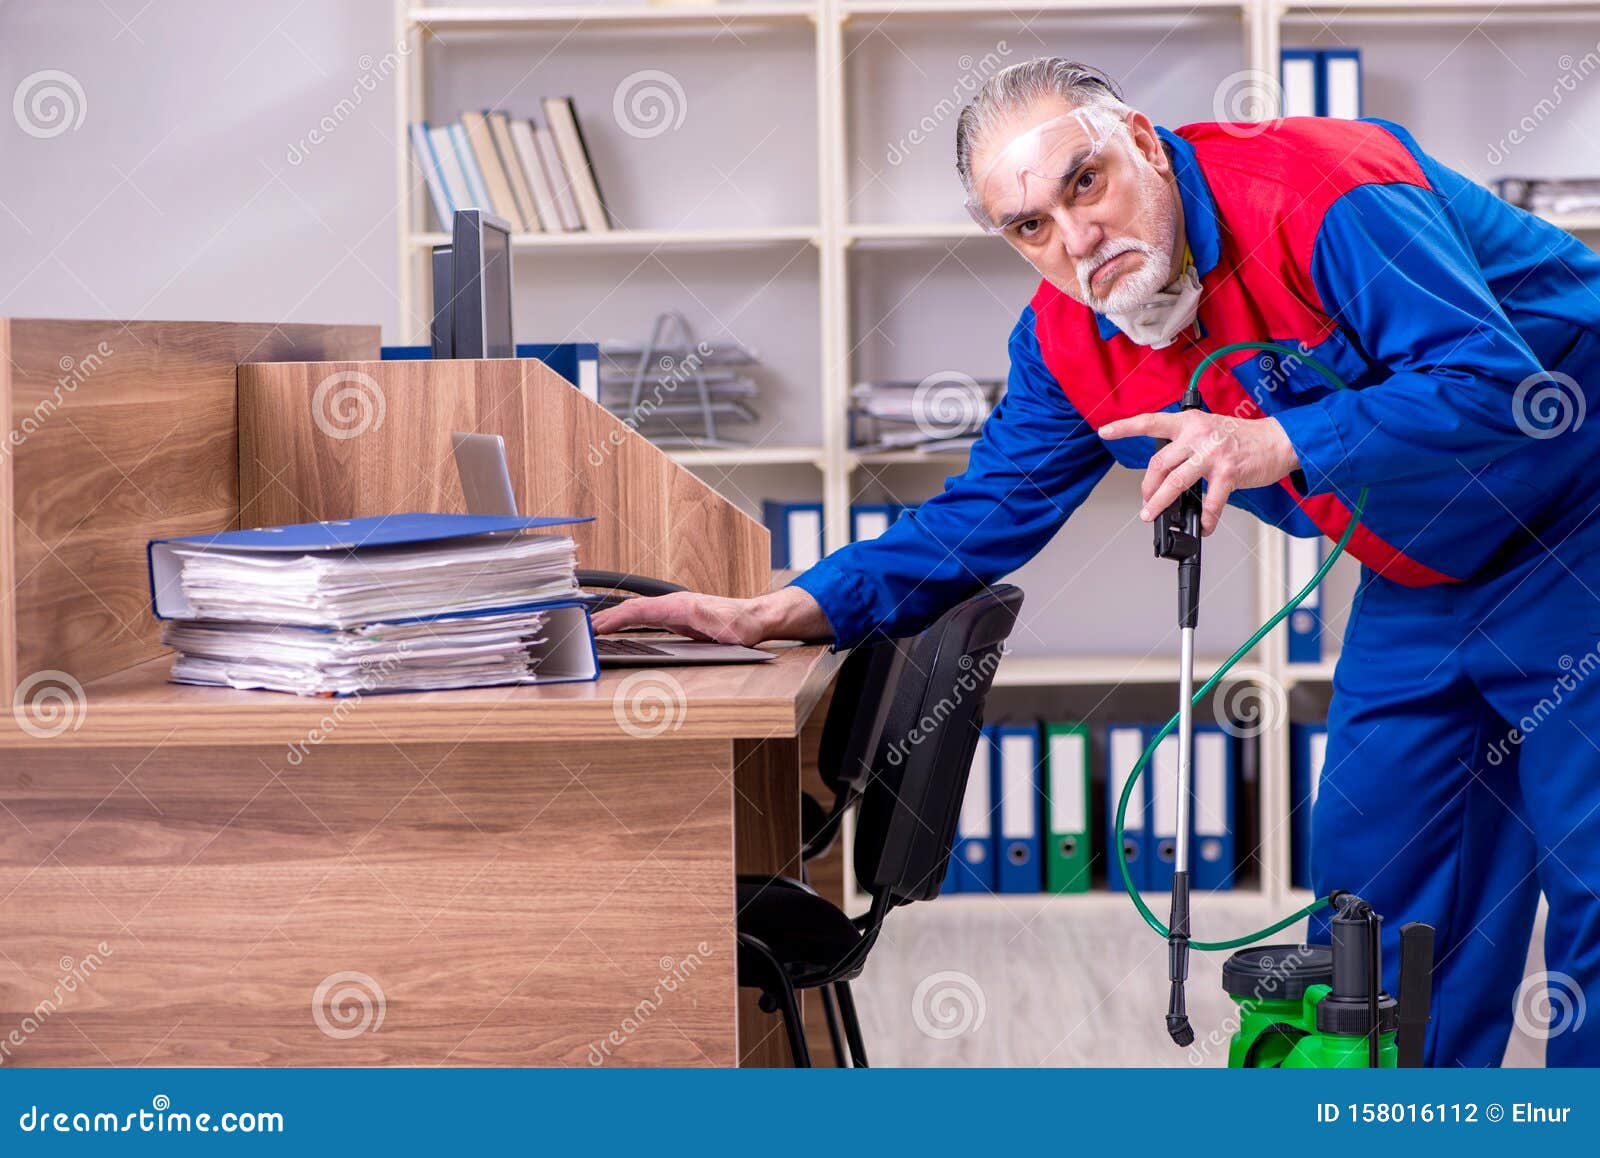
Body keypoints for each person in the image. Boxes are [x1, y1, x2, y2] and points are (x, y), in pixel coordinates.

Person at [592, 57, 1600, 1067]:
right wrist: (782, 609)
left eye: (1085, 182)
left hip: (1579, 508)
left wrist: (1279, 442)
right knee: (1372, 899)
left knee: (1590, 875)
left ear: (1146, 144)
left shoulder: (1325, 193)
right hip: (1424, 570)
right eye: (1028, 227)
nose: (1076, 240)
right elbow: (983, 514)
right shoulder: (1069, 341)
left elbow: (1494, 383)